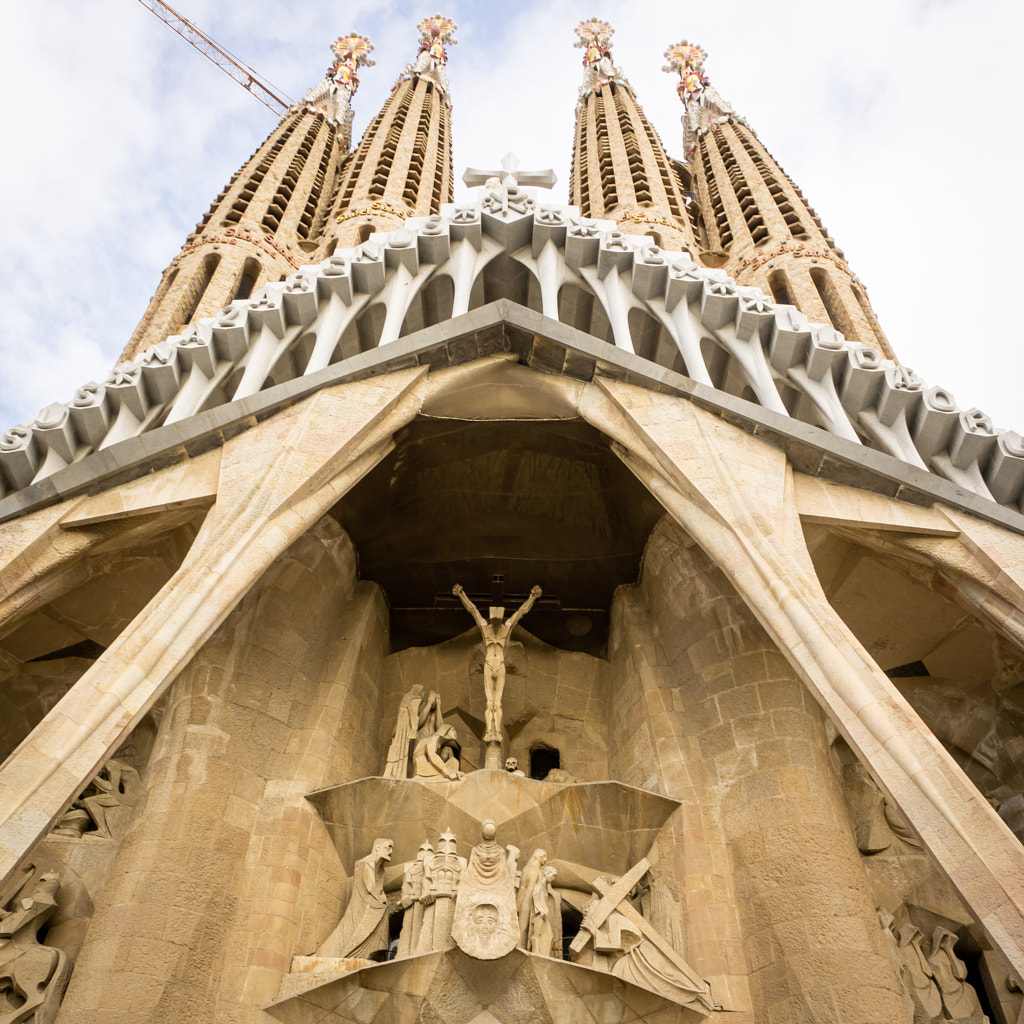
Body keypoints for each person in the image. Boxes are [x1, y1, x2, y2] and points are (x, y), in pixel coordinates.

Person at [452, 584, 542, 742]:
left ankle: (497, 732)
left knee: (497, 703)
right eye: (493, 621)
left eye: (497, 621)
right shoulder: (484, 628)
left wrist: (532, 597)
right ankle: (489, 731)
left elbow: (521, 612)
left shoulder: (506, 628)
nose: (494, 623)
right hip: (488, 665)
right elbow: (472, 610)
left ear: (500, 619)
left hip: (500, 665)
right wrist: (461, 594)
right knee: (490, 703)